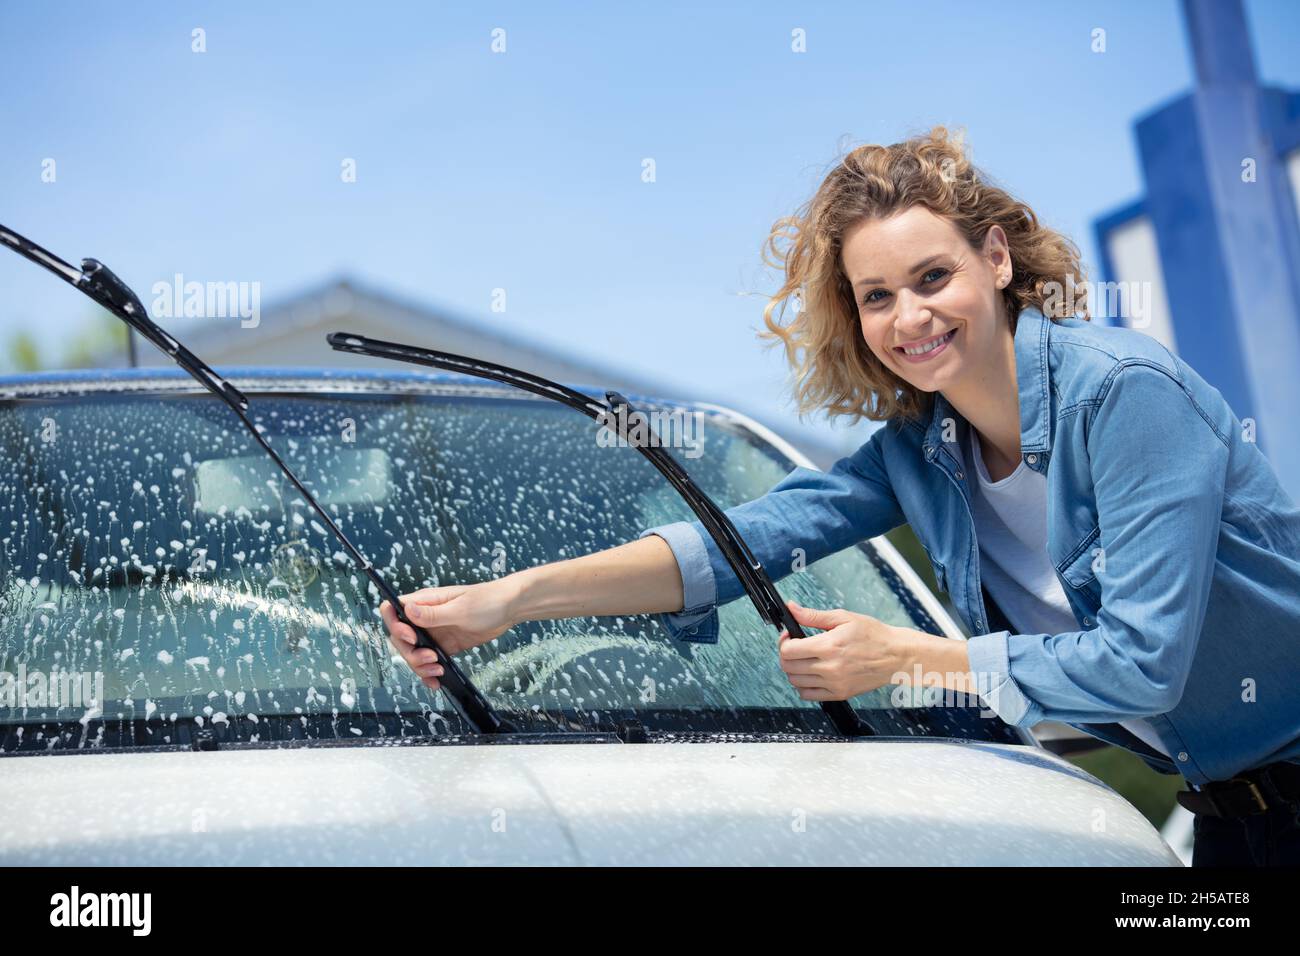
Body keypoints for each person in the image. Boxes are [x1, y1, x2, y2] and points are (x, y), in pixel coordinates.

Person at [380, 125, 1300, 867]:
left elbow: (1143, 663)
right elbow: (739, 543)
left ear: (997, 261)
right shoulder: (916, 452)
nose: (909, 318)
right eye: (876, 296)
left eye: (933, 278)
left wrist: (909, 658)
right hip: (1227, 815)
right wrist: (512, 601)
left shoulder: (1123, 395)